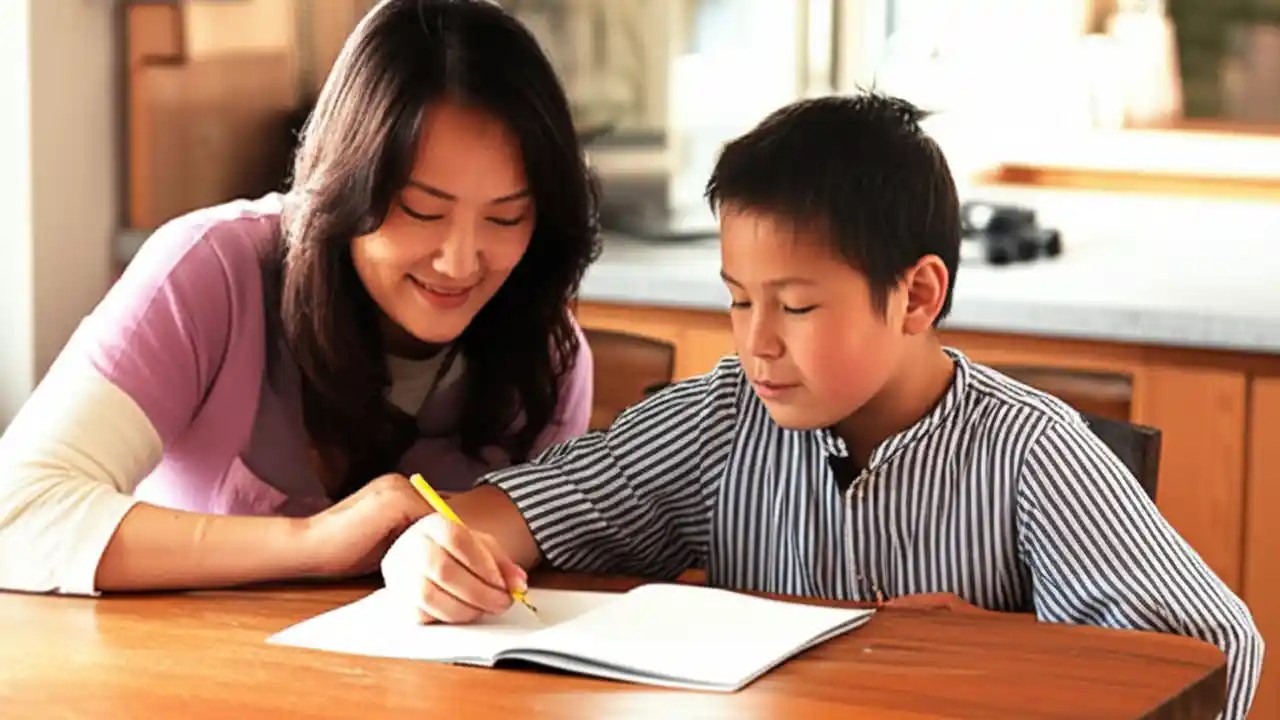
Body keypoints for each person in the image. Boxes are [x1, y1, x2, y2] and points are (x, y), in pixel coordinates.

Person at [380, 93, 1263, 719]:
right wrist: (433, 546)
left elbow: (1216, 654)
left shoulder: (1033, 453)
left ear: (916, 297)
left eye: (797, 307)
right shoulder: (717, 423)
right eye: (737, 299)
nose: (756, 342)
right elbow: (512, 516)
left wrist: (1004, 649)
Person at [0, 0, 598, 596]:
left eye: (506, 218)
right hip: (184, 678)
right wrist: (315, 542)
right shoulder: (210, 272)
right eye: (422, 210)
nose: (460, 262)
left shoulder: (544, 354)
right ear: (347, 183)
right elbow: (17, 514)